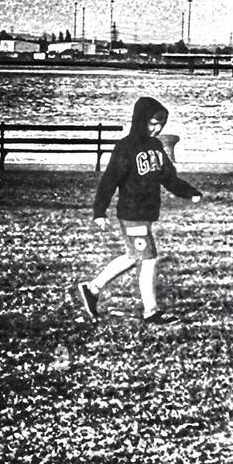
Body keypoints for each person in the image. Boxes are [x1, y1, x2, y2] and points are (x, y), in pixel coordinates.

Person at [74, 95, 203, 324]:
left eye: (161, 124)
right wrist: (99, 211)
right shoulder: (125, 147)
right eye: (152, 123)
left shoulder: (155, 147)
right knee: (149, 259)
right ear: (140, 120)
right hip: (132, 214)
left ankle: (92, 289)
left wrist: (189, 191)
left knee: (133, 257)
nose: (157, 128)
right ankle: (151, 311)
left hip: (145, 213)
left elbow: (168, 178)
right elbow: (109, 180)